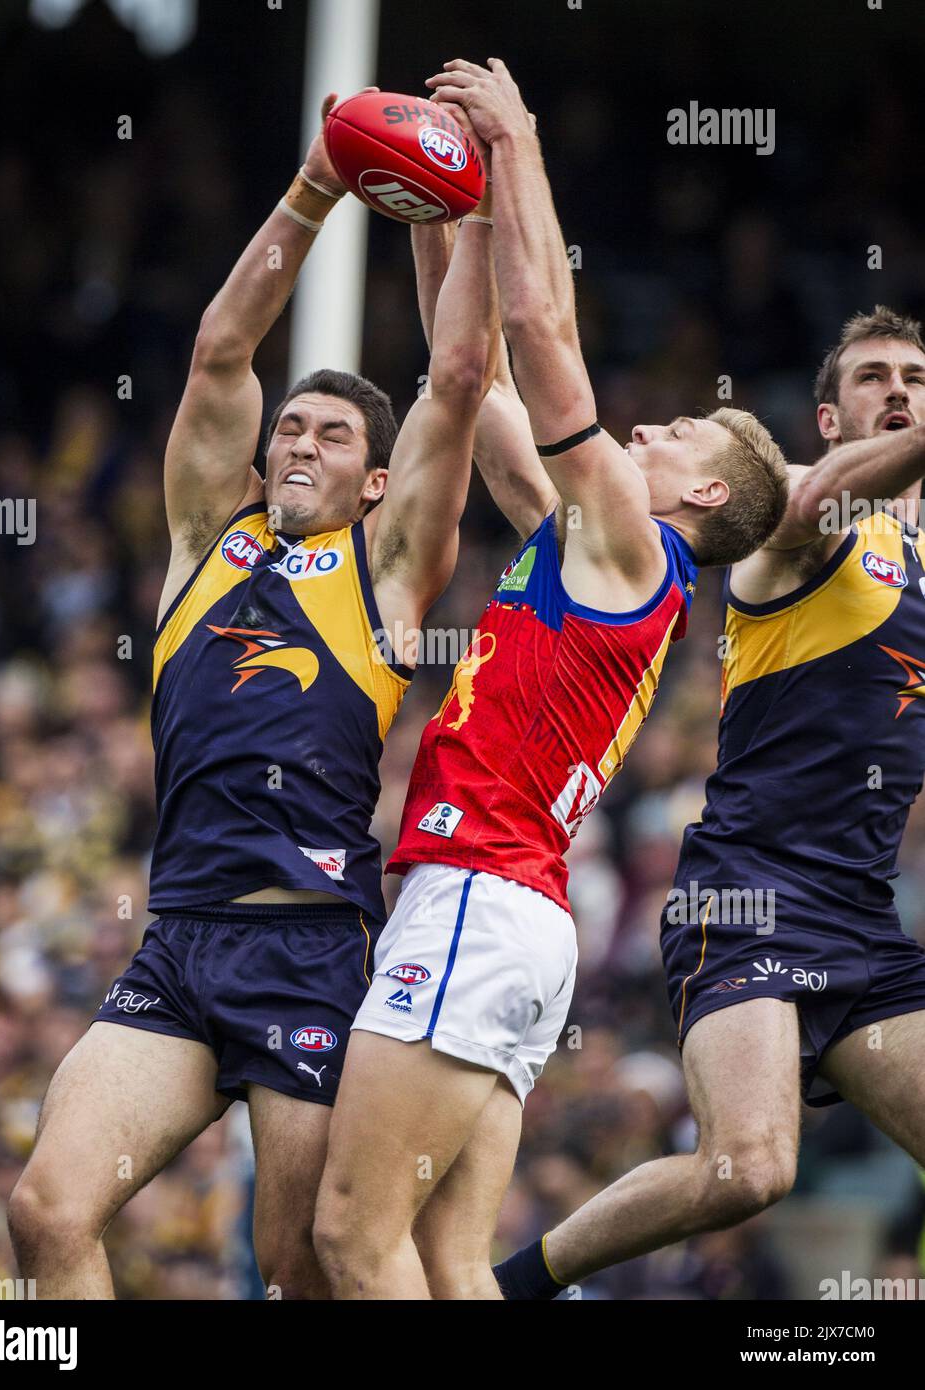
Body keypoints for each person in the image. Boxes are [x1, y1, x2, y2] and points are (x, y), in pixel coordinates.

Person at [7, 90, 499, 1300]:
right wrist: (318, 184)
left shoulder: (387, 570)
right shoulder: (200, 542)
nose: (298, 442)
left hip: (311, 948)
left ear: (378, 480)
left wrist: (468, 204)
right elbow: (222, 352)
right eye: (290, 426)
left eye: (332, 435)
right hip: (180, 938)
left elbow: (460, 380)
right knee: (44, 1210)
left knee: (301, 1265)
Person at [312, 57, 790, 1301]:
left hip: (477, 900)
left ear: (704, 496)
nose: (649, 430)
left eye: (678, 434)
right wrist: (445, 212)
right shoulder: (584, 547)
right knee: (449, 1261)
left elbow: (546, 335)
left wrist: (516, 147)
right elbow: (474, 378)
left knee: (351, 1242)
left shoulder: (636, 541)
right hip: (512, 921)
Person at [497, 305, 925, 1299]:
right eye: (872, 377)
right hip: (751, 893)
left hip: (863, 914)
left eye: (913, 374)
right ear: (828, 417)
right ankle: (514, 1286)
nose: (897, 390)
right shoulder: (801, 522)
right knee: (749, 1168)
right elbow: (817, 498)